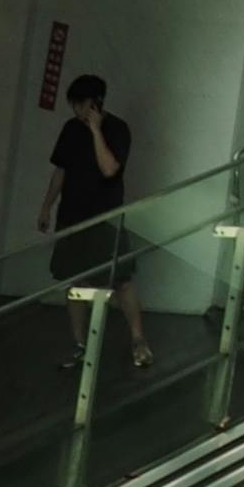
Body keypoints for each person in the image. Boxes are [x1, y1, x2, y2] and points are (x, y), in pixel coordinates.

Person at [38, 73, 152, 372]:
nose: (77, 110)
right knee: (75, 280)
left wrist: (96, 130)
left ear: (96, 102)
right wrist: (46, 207)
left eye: (82, 103)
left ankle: (138, 339)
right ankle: (79, 343)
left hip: (106, 216)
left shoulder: (117, 129)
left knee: (121, 279)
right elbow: (60, 171)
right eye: (74, 104)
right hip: (72, 215)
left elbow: (109, 168)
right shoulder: (69, 129)